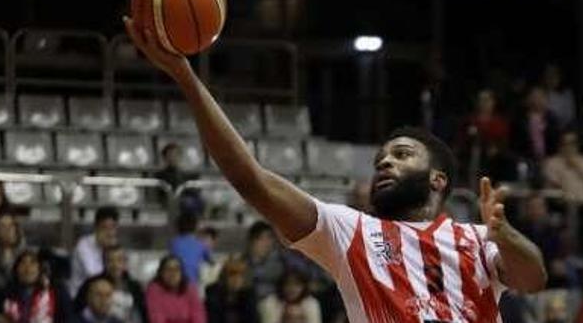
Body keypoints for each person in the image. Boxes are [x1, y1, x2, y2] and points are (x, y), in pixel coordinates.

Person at [124, 17, 547, 322]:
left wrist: (503, 233)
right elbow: (251, 179)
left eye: (401, 155)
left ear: (437, 179)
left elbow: (533, 278)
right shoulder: (351, 231)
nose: (385, 161)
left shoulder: (474, 239)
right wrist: (185, 77)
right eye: (382, 156)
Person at [75, 246, 148, 323]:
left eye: (119, 260)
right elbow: (78, 310)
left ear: (125, 263)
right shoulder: (92, 283)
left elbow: (143, 312)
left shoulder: (134, 286)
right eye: (110, 260)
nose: (115, 265)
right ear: (104, 263)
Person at [0, 249, 72, 323]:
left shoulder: (57, 291)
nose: (27, 268)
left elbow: (68, 318)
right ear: (16, 269)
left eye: (32, 263)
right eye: (23, 263)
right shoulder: (7, 293)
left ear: (40, 269)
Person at [542, 129, 583, 206]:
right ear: (560, 145)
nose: (569, 147)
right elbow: (552, 184)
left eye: (572, 143)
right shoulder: (552, 162)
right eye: (565, 143)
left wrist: (578, 167)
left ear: (577, 145)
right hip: (564, 204)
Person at [70, 206, 120, 295]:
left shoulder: (113, 246)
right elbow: (95, 277)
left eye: (112, 227)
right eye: (104, 228)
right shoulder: (84, 246)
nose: (109, 233)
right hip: (82, 298)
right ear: (96, 228)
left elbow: (121, 272)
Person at [145, 255, 206, 323]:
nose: (173, 273)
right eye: (168, 269)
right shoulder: (154, 290)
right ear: (161, 273)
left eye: (177, 269)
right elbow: (157, 318)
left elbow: (199, 315)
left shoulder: (189, 288)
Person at [205, 256, 259, 323]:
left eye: (241, 275)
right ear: (224, 276)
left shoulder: (249, 295)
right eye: (232, 274)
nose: (237, 279)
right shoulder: (213, 294)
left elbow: (253, 319)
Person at [169, 211, 212, 285]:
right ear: (195, 226)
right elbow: (211, 262)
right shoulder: (201, 244)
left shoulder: (173, 243)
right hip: (193, 283)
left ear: (178, 226)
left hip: (177, 282)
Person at [245, 221, 285, 300]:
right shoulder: (243, 261)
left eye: (269, 238)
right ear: (251, 241)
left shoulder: (280, 261)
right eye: (261, 238)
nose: (266, 243)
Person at [541, 64, 576, 129]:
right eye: (548, 74)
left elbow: (570, 117)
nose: (551, 78)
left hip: (562, 130)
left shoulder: (566, 95)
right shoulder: (539, 93)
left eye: (554, 74)